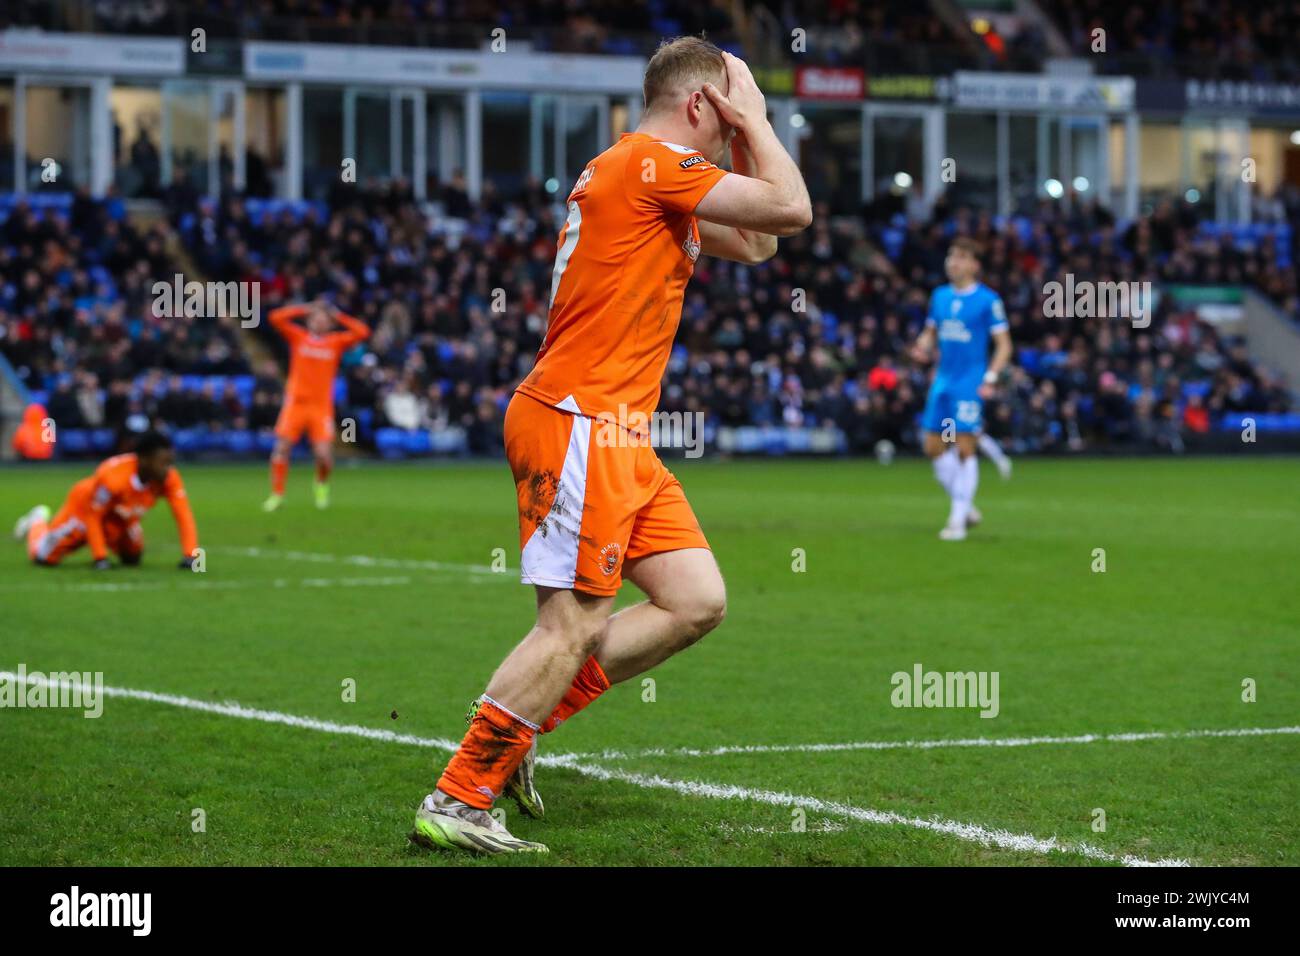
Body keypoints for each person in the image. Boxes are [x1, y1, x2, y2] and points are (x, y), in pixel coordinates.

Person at [410, 37, 811, 855]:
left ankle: (517, 733)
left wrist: (739, 137)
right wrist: (760, 123)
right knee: (574, 625)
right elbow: (792, 208)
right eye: (730, 108)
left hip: (616, 428)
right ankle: (459, 797)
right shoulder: (651, 164)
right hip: (582, 419)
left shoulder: (647, 175)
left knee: (695, 600)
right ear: (703, 104)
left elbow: (763, 240)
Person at [911, 238, 1013, 541]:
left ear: (974, 265)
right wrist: (921, 347)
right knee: (933, 447)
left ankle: (957, 522)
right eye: (951, 256)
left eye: (960, 257)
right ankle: (965, 505)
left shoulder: (987, 300)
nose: (952, 262)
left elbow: (1004, 345)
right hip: (943, 379)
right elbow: (930, 333)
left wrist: (991, 377)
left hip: (970, 380)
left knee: (965, 447)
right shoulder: (939, 296)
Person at [12, 431, 199, 569]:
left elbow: (183, 515)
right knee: (43, 559)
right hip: (83, 511)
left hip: (120, 517)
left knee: (132, 559)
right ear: (143, 460)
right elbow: (93, 515)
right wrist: (100, 558)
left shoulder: (169, 479)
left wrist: (190, 555)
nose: (168, 469)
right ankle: (37, 522)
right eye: (163, 463)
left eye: (170, 462)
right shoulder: (113, 477)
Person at [263, 299, 370, 511]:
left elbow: (362, 332)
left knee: (323, 456)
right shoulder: (299, 337)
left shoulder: (335, 342)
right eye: (315, 318)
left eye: (323, 319)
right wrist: (304, 308)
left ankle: (320, 484)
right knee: (282, 448)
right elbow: (274, 318)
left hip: (320, 407)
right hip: (296, 404)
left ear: (329, 324)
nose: (319, 322)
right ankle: (277, 494)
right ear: (309, 321)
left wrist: (338, 315)